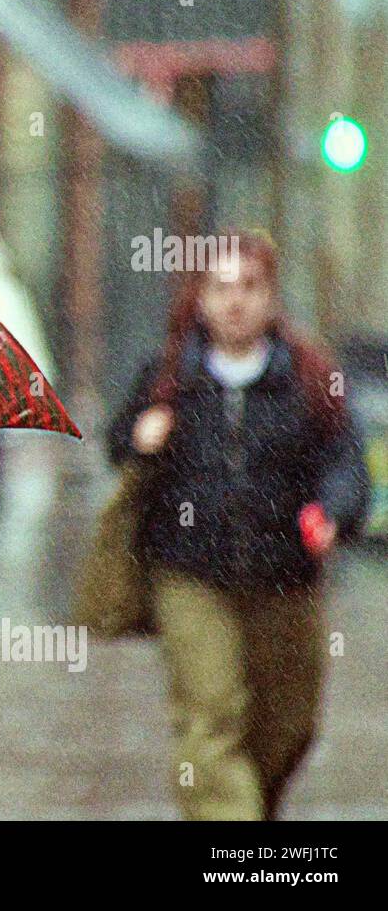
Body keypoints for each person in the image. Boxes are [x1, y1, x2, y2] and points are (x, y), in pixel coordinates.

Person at [107, 231, 368, 820]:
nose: (235, 301)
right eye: (221, 286)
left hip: (285, 578)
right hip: (189, 574)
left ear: (272, 296)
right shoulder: (170, 374)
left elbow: (346, 462)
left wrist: (333, 510)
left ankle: (248, 808)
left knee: (288, 724)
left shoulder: (309, 377)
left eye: (249, 287)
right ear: (199, 296)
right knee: (211, 713)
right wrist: (140, 438)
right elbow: (116, 442)